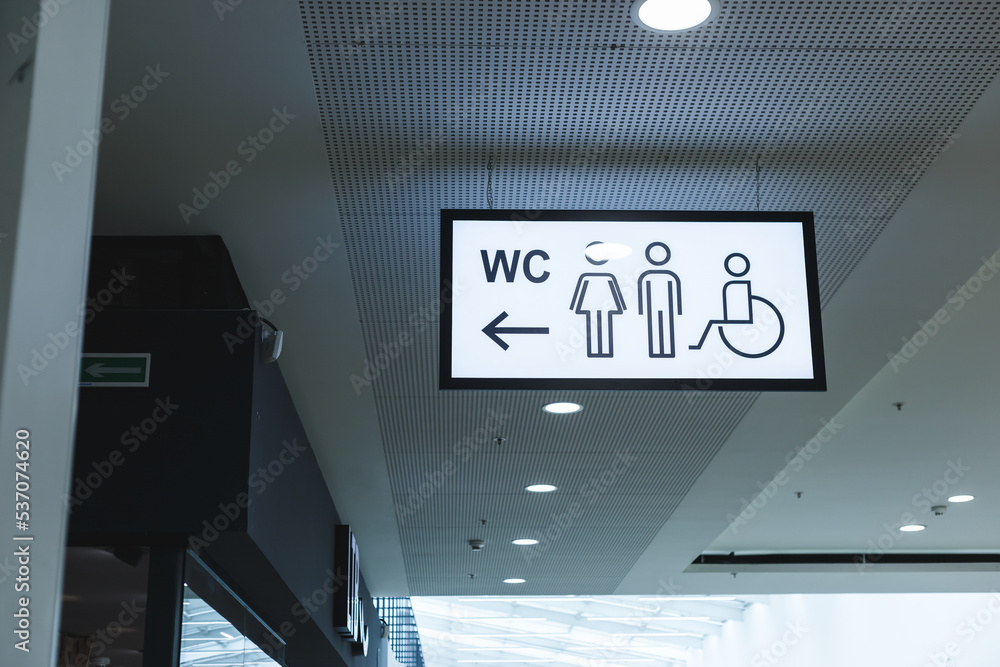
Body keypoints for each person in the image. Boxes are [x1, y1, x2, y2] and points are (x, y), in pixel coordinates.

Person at [570, 243, 626, 358]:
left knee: (605, 330)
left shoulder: (608, 276)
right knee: (592, 331)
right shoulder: (587, 276)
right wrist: (575, 306)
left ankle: (605, 351)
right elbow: (580, 291)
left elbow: (614, 290)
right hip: (590, 306)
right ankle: (595, 351)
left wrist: (620, 307)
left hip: (605, 307)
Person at [637, 242, 683, 358]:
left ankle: (667, 351)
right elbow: (642, 293)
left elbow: (675, 291)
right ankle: (655, 351)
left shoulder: (670, 275)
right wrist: (642, 310)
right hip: (651, 307)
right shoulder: (646, 275)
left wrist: (678, 309)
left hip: (667, 307)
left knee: (667, 329)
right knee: (654, 329)